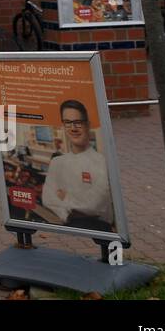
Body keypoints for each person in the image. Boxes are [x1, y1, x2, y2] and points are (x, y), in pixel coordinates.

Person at [40, 99, 114, 232]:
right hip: (68, 224)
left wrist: (65, 197)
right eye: (68, 122)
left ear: (87, 125)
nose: (73, 128)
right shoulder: (57, 162)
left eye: (78, 122)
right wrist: (70, 212)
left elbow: (94, 205)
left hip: (99, 228)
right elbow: (47, 198)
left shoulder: (101, 162)